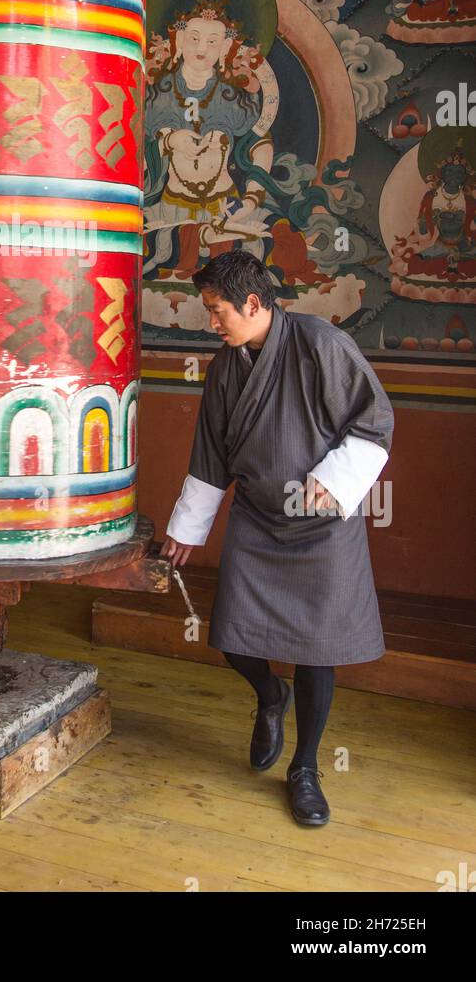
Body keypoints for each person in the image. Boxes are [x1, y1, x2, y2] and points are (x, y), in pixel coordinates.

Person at [160, 250, 394, 826]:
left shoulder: (320, 344)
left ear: (255, 303)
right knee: (233, 636)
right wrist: (187, 528)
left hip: (323, 525)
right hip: (259, 518)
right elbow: (211, 452)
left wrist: (334, 481)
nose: (212, 322)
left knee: (320, 650)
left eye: (217, 311)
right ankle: (270, 696)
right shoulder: (226, 365)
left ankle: (306, 768)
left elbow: (374, 420)